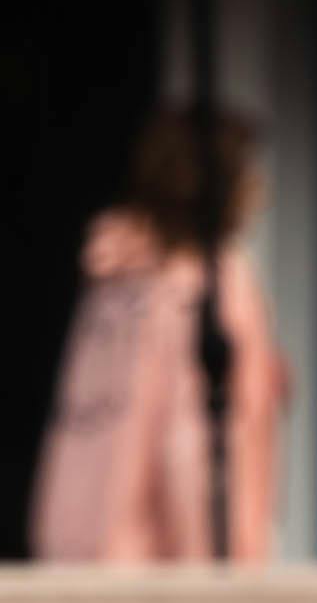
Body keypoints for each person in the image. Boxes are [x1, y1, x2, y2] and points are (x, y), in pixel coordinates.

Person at [29, 104, 290, 565]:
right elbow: (196, 450)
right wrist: (225, 571)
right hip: (171, 570)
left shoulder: (117, 282)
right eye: (248, 172)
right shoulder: (210, 292)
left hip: (86, 552)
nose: (261, 189)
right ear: (217, 184)